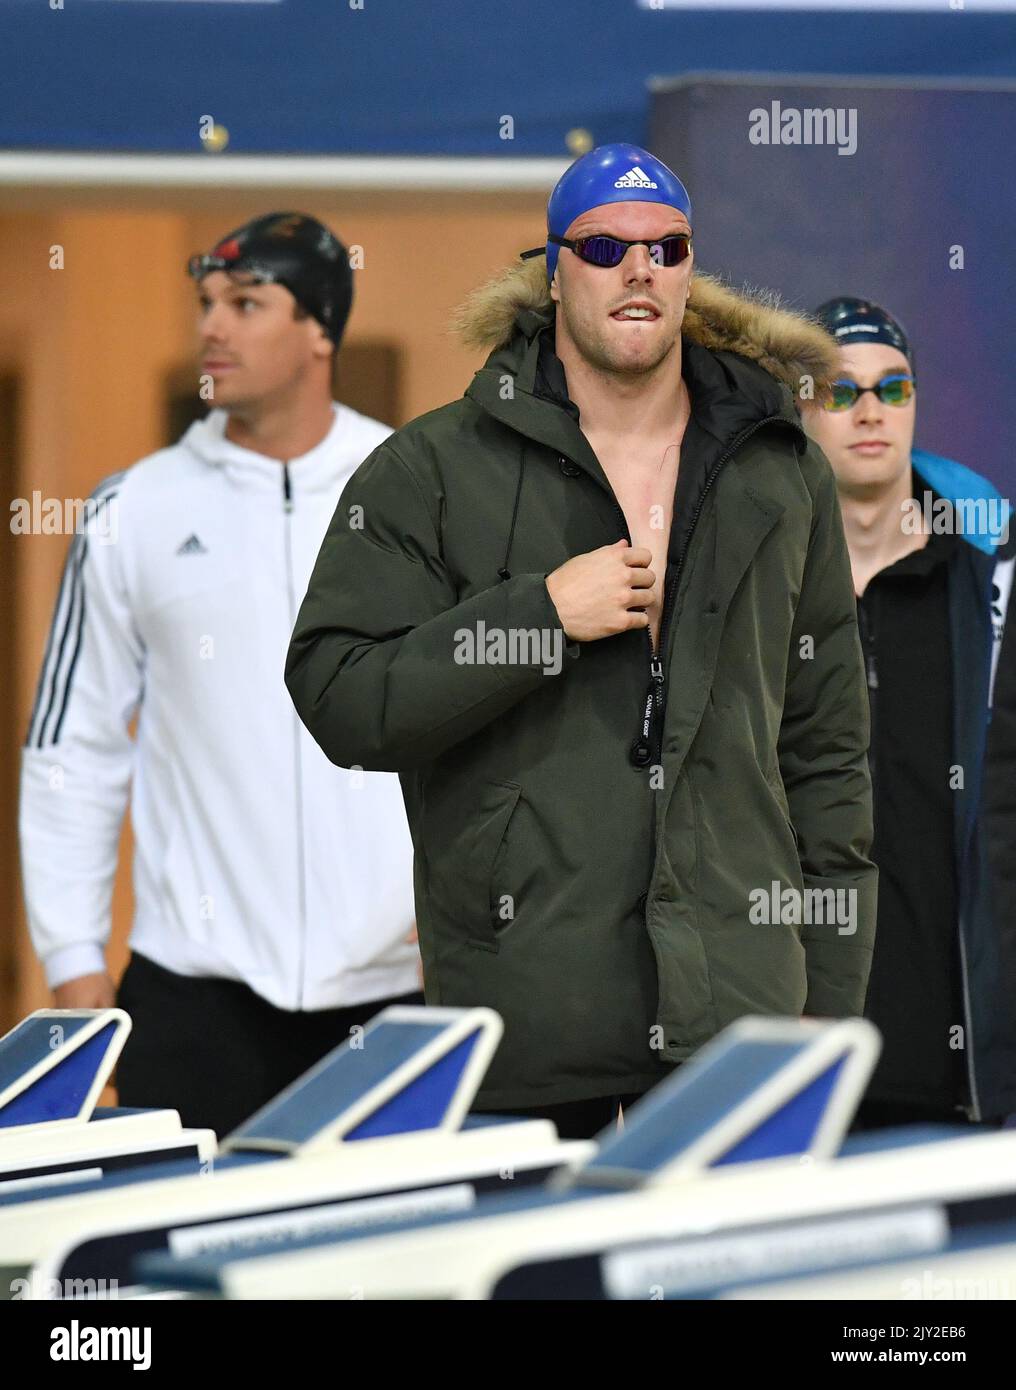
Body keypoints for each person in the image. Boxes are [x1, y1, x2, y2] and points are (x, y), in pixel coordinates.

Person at [286, 145, 877, 1141]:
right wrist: (534, 620)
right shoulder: (428, 468)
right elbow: (342, 695)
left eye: (666, 246)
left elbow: (824, 751)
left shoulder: (776, 472)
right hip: (525, 1021)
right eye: (604, 246)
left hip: (739, 1016)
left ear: (690, 272)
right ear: (553, 273)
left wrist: (827, 994)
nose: (637, 267)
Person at [20, 212, 421, 1138]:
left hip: (395, 995)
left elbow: (483, 723)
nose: (213, 327)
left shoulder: (412, 484)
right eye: (205, 303)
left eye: (247, 304)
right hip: (193, 1002)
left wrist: (463, 925)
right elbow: (70, 753)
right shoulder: (136, 508)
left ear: (320, 328)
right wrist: (77, 969)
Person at [803, 296, 1016, 1127]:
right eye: (841, 390)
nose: (869, 411)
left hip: (962, 1051)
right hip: (806, 1052)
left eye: (892, 389)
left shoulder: (991, 582)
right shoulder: (758, 586)